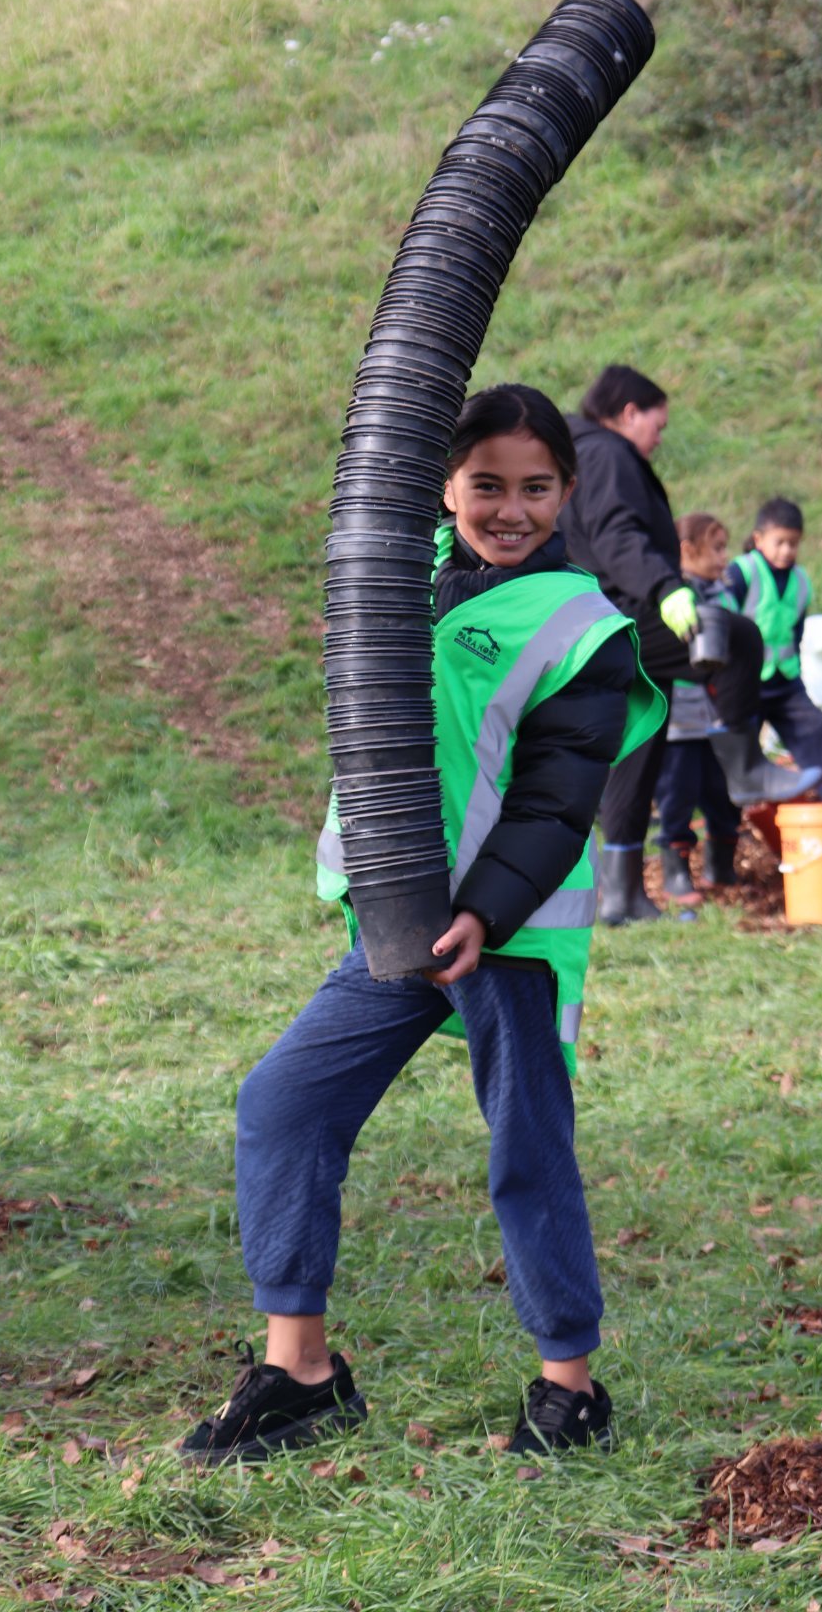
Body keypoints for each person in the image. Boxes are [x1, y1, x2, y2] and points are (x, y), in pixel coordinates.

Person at [180, 384, 664, 1468]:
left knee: (526, 1147)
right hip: (402, 916)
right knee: (283, 1102)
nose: (509, 506)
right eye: (485, 482)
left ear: (568, 492)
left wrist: (486, 910)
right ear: (444, 485)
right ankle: (300, 1372)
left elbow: (553, 801)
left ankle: (569, 1388)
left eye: (535, 487)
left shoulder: (580, 625)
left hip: (514, 933)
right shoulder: (405, 580)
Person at [558, 364, 820, 927]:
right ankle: (746, 766)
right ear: (629, 412)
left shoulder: (584, 454)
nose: (660, 437)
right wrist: (667, 590)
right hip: (620, 613)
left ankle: (623, 894)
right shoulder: (607, 454)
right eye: (659, 424)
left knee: (639, 748)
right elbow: (617, 536)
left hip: (591, 616)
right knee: (736, 636)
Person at [723, 498, 822, 803]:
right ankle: (737, 813)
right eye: (779, 542)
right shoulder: (742, 573)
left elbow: (796, 630)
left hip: (785, 682)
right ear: (758, 539)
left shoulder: (801, 580)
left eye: (793, 543)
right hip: (745, 684)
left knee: (815, 730)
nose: (786, 550)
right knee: (740, 751)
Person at [654, 512, 743, 900]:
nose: (725, 557)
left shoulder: (724, 592)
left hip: (716, 720)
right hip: (679, 723)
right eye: (717, 549)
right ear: (687, 551)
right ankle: (676, 875)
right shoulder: (678, 597)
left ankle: (720, 867)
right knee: (679, 795)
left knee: (722, 795)